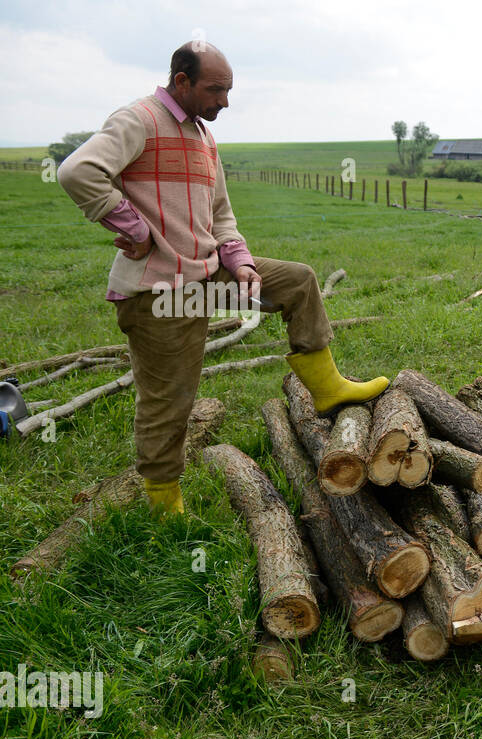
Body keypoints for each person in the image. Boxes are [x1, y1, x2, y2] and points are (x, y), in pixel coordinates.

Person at [58, 41, 389, 516]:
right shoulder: (140, 120)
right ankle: (162, 503)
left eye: (229, 91)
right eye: (216, 90)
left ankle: (328, 386)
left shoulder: (204, 138)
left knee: (297, 280)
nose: (225, 102)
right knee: (170, 399)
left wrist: (242, 264)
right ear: (182, 82)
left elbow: (222, 215)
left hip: (208, 276)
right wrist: (131, 225)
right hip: (157, 293)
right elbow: (77, 171)